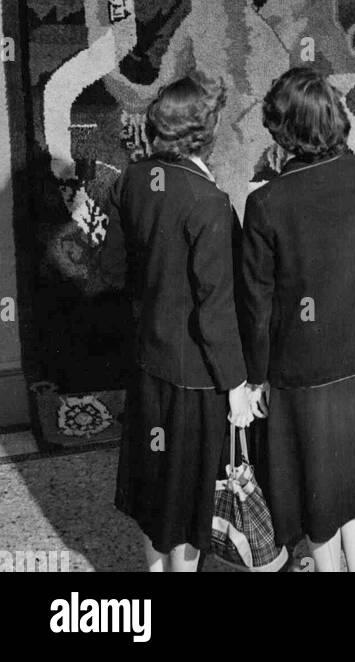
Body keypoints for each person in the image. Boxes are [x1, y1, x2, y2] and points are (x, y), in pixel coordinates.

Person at [238, 67, 355, 573]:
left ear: (282, 128)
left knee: (317, 493)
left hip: (302, 370)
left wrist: (256, 374)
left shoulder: (265, 202)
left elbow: (257, 304)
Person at [101, 72, 253, 572]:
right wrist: (235, 383)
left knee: (155, 485)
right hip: (195, 378)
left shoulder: (131, 180)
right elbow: (216, 308)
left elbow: (113, 271)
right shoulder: (207, 201)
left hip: (149, 364)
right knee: (187, 498)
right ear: (204, 131)